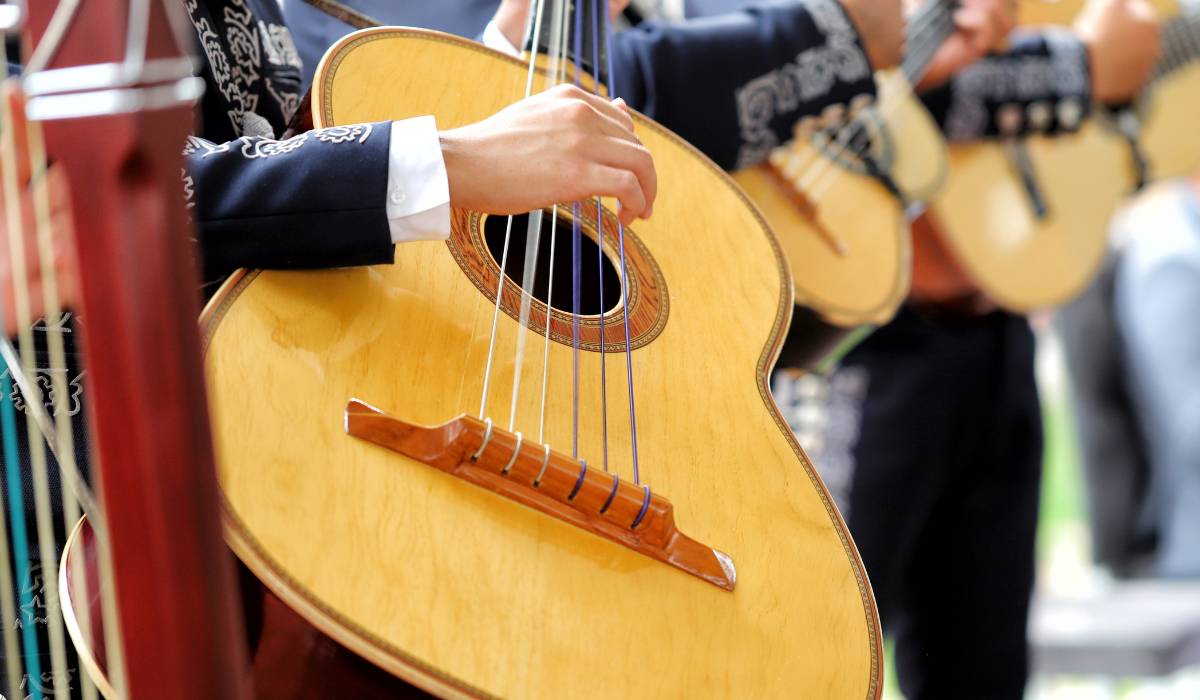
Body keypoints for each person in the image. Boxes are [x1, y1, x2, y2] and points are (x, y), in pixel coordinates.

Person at [766, 1, 1162, 697]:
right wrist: (1074, 70)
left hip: (990, 326)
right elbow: (820, 90)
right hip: (857, 339)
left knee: (985, 666)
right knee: (808, 664)